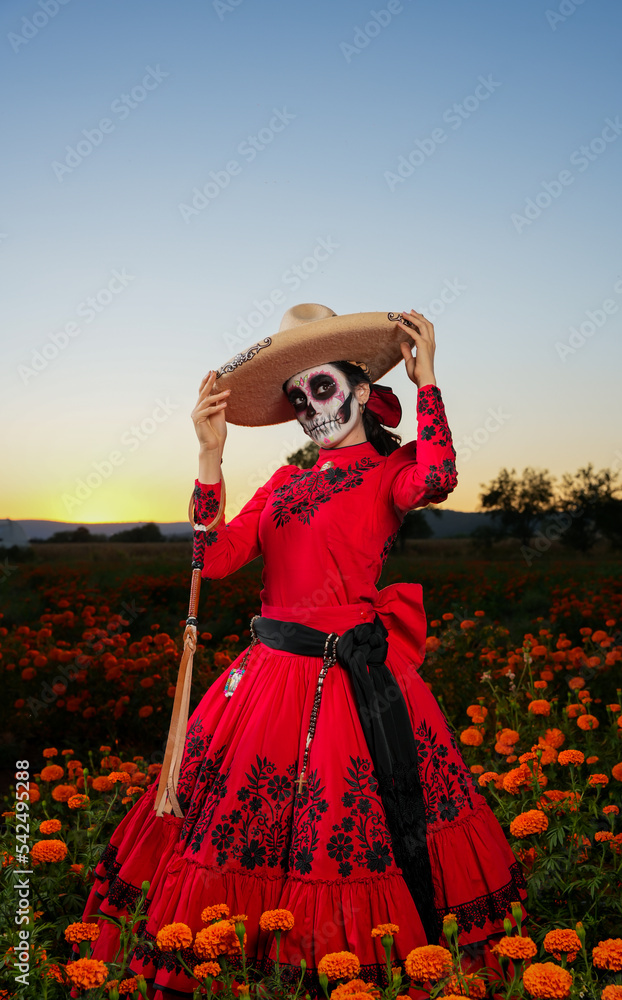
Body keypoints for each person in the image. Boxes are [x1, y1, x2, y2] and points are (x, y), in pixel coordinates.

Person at [79, 304, 528, 998]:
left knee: (346, 827)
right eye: (297, 398)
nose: (309, 407)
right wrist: (208, 455)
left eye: (320, 388)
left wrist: (426, 381)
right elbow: (214, 557)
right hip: (268, 681)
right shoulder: (283, 485)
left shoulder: (390, 469)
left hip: (356, 681)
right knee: (241, 828)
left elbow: (438, 477)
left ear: (355, 385)